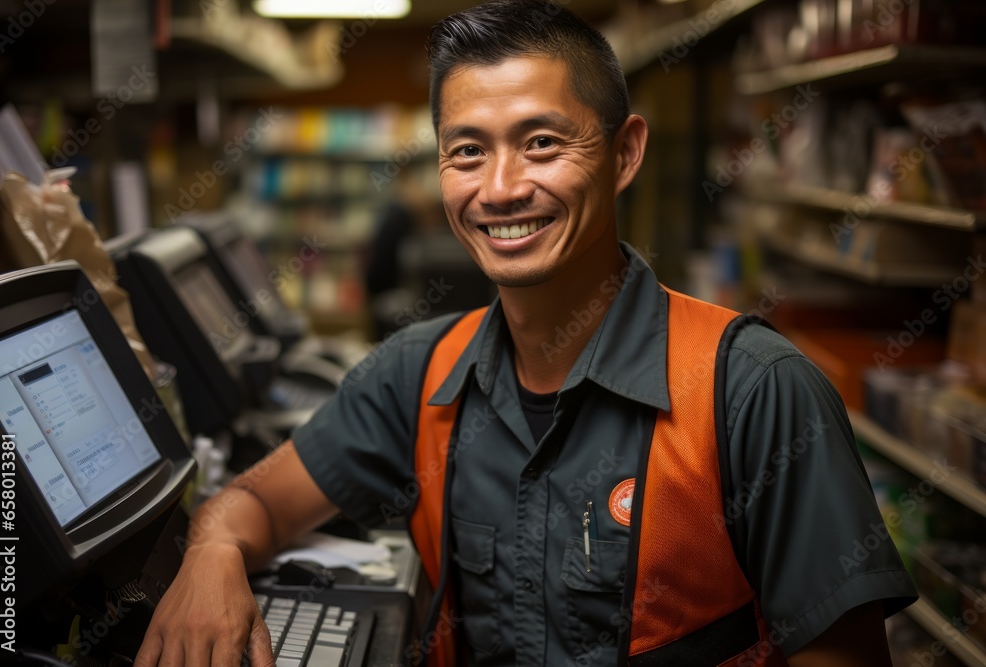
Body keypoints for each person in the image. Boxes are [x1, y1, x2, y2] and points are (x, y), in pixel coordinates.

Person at [135, 2, 917, 665]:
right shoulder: (416, 374)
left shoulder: (753, 392)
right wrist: (211, 554)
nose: (502, 188)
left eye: (542, 143)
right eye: (467, 151)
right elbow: (249, 503)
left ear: (624, 152)